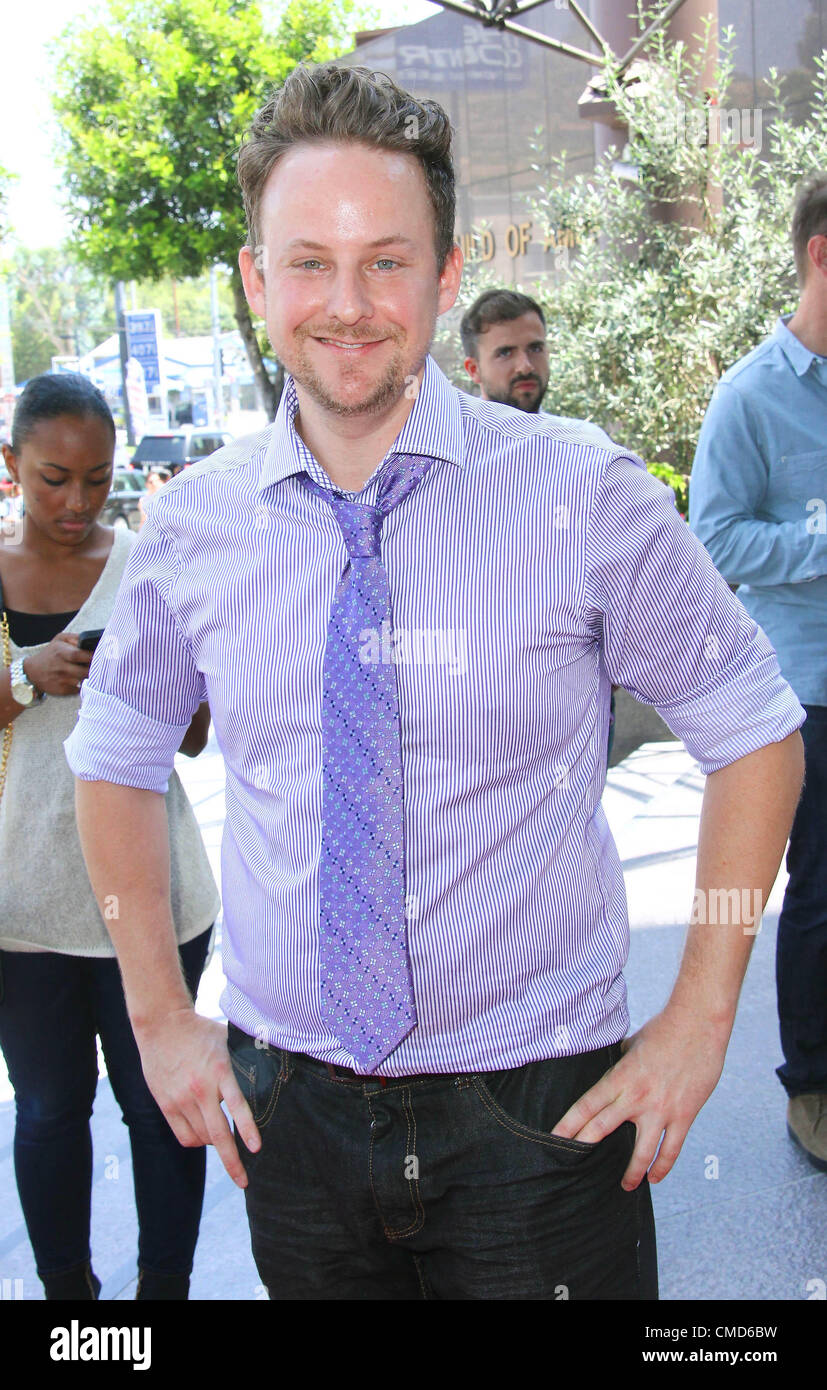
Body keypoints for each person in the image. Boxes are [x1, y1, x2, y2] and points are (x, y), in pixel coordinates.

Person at [65, 63, 805, 1301]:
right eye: (306, 261)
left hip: (542, 1123)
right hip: (289, 1123)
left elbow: (756, 734)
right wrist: (154, 1012)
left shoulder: (584, 495)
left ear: (446, 274)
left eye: (387, 261)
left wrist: (697, 1018)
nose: (346, 304)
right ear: (256, 283)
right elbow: (115, 755)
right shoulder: (191, 527)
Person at [0, 373, 221, 1300]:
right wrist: (25, 676)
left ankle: (161, 1298)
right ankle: (69, 1306)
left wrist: (142, 686)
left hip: (155, 899)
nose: (77, 502)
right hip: (23, 906)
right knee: (50, 1113)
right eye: (54, 478)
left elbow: (200, 731)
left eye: (96, 480)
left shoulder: (147, 562)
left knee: (161, 1104)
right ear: (11, 466)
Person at [689, 171, 827, 1173]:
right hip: (808, 693)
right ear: (818, 256)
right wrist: (818, 540)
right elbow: (714, 539)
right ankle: (811, 1089)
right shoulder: (747, 397)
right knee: (819, 896)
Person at [460, 287, 612, 443]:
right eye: (505, 353)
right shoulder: (453, 451)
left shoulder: (587, 444)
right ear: (474, 370)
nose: (525, 366)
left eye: (535, 348)